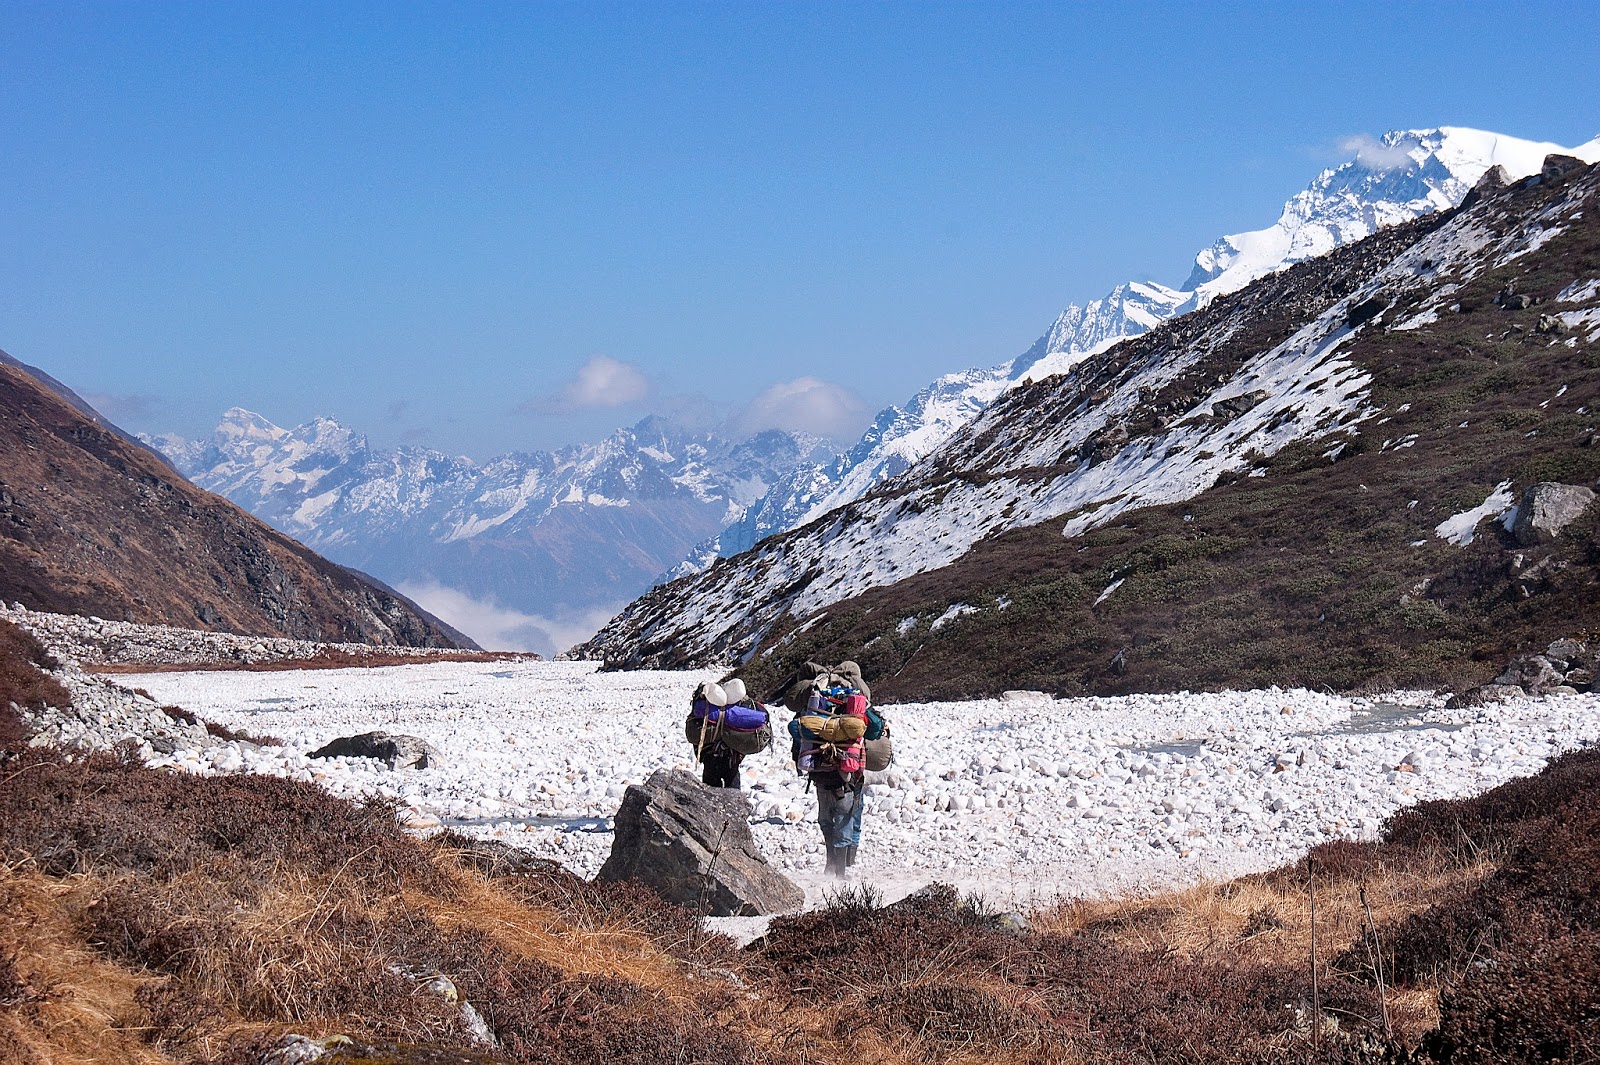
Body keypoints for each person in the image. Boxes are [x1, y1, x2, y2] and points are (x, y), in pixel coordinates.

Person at [783, 662, 872, 877]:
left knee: (826, 819)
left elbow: (798, 734)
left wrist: (799, 760)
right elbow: (875, 729)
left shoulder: (812, 709)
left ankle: (830, 862)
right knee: (847, 817)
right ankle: (843, 868)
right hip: (849, 773)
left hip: (820, 772)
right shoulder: (858, 705)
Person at [692, 680, 745, 789]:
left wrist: (701, 755)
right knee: (733, 793)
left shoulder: (703, 708)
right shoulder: (739, 706)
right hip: (732, 757)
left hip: (710, 756)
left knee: (710, 794)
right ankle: (736, 805)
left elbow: (695, 731)